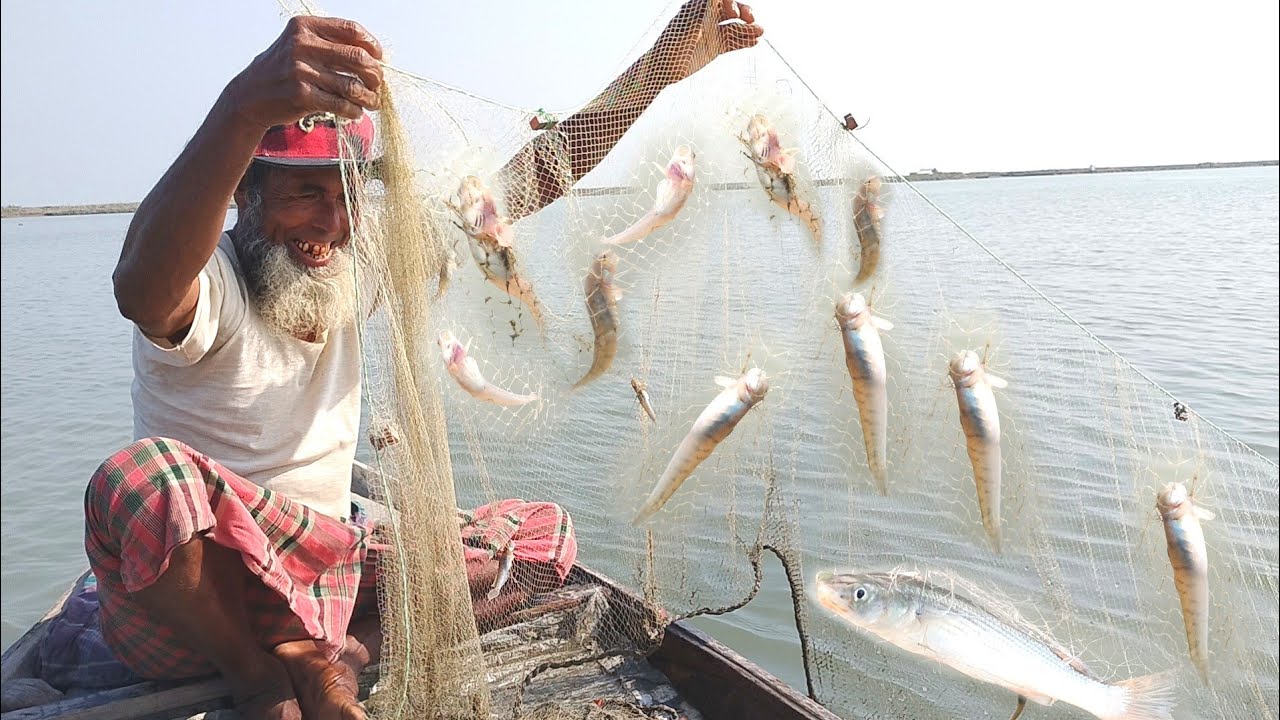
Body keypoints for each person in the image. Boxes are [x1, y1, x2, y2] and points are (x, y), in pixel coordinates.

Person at [84, 3, 763, 720]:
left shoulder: (359, 262)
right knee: (140, 484)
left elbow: (530, 179)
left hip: (326, 578)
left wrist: (659, 68)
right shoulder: (210, 282)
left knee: (542, 536)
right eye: (304, 193)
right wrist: (245, 102)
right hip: (198, 601)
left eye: (347, 192)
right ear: (243, 194)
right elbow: (140, 287)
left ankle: (340, 659)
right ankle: (257, 674)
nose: (332, 223)